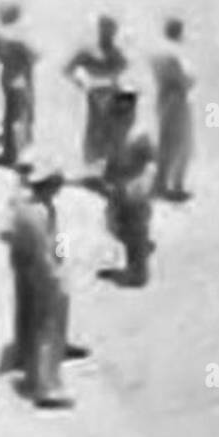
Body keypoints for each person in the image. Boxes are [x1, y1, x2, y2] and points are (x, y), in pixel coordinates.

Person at [0, 161, 81, 406]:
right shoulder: (37, 213)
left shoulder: (31, 205)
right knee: (46, 325)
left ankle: (33, 360)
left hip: (29, 266)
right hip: (42, 273)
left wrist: (62, 257)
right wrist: (57, 276)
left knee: (36, 320)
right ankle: (45, 385)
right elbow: (46, 250)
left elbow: (56, 237)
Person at [93, 87, 156, 287]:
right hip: (118, 188)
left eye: (126, 102)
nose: (119, 106)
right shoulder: (113, 127)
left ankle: (137, 273)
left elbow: (153, 160)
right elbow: (109, 157)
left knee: (133, 230)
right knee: (116, 226)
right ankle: (139, 255)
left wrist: (142, 182)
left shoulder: (140, 133)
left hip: (135, 189)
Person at [64, 15, 129, 169]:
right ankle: (93, 162)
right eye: (106, 29)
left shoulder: (116, 52)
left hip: (111, 93)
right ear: (100, 30)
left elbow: (124, 70)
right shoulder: (90, 51)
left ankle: (106, 164)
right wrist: (81, 82)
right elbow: (68, 69)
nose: (110, 33)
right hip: (97, 92)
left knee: (111, 130)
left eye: (112, 30)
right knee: (96, 127)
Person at [149, 18, 196, 201]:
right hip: (176, 100)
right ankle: (171, 184)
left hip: (165, 99)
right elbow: (185, 80)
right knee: (180, 142)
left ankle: (164, 183)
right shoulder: (173, 55)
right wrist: (188, 81)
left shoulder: (160, 53)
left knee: (168, 142)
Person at [0, 2, 39, 167]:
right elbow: (35, 56)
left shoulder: (0, 34)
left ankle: (10, 152)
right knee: (19, 118)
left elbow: (0, 57)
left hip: (10, 77)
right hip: (20, 79)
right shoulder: (17, 35)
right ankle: (19, 154)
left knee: (11, 117)